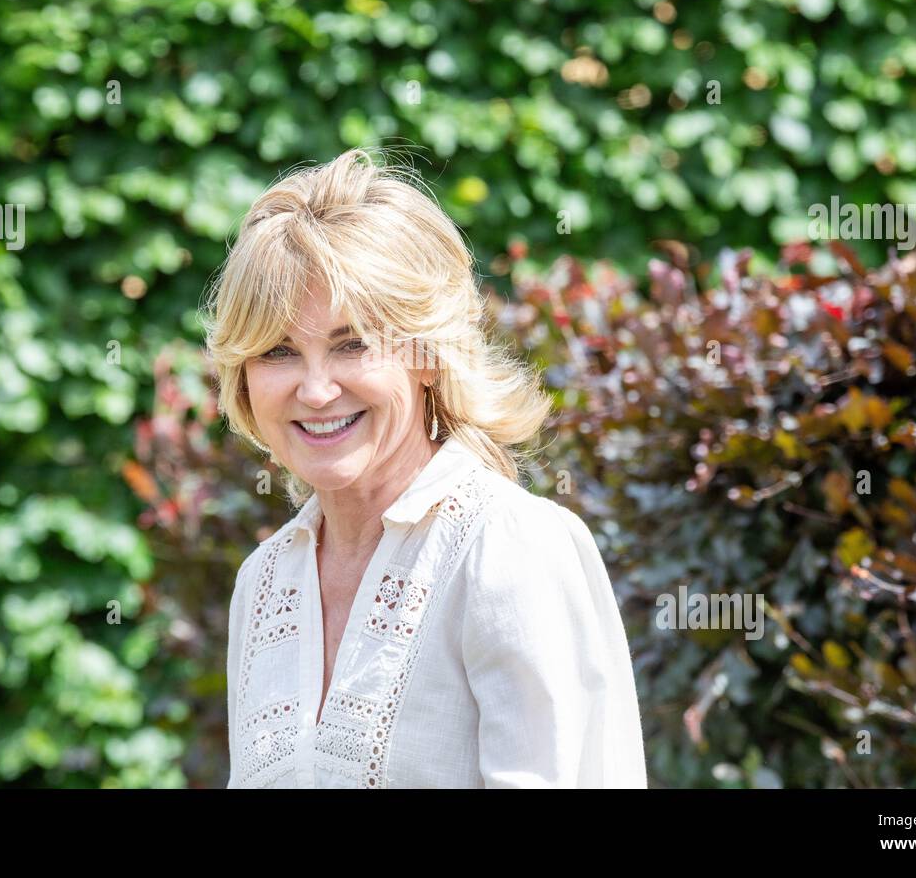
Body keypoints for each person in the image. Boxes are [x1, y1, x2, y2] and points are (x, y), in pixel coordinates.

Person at [204, 147, 648, 788]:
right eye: (278, 351)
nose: (317, 390)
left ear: (428, 357)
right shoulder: (265, 582)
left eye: (353, 344)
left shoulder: (508, 547)